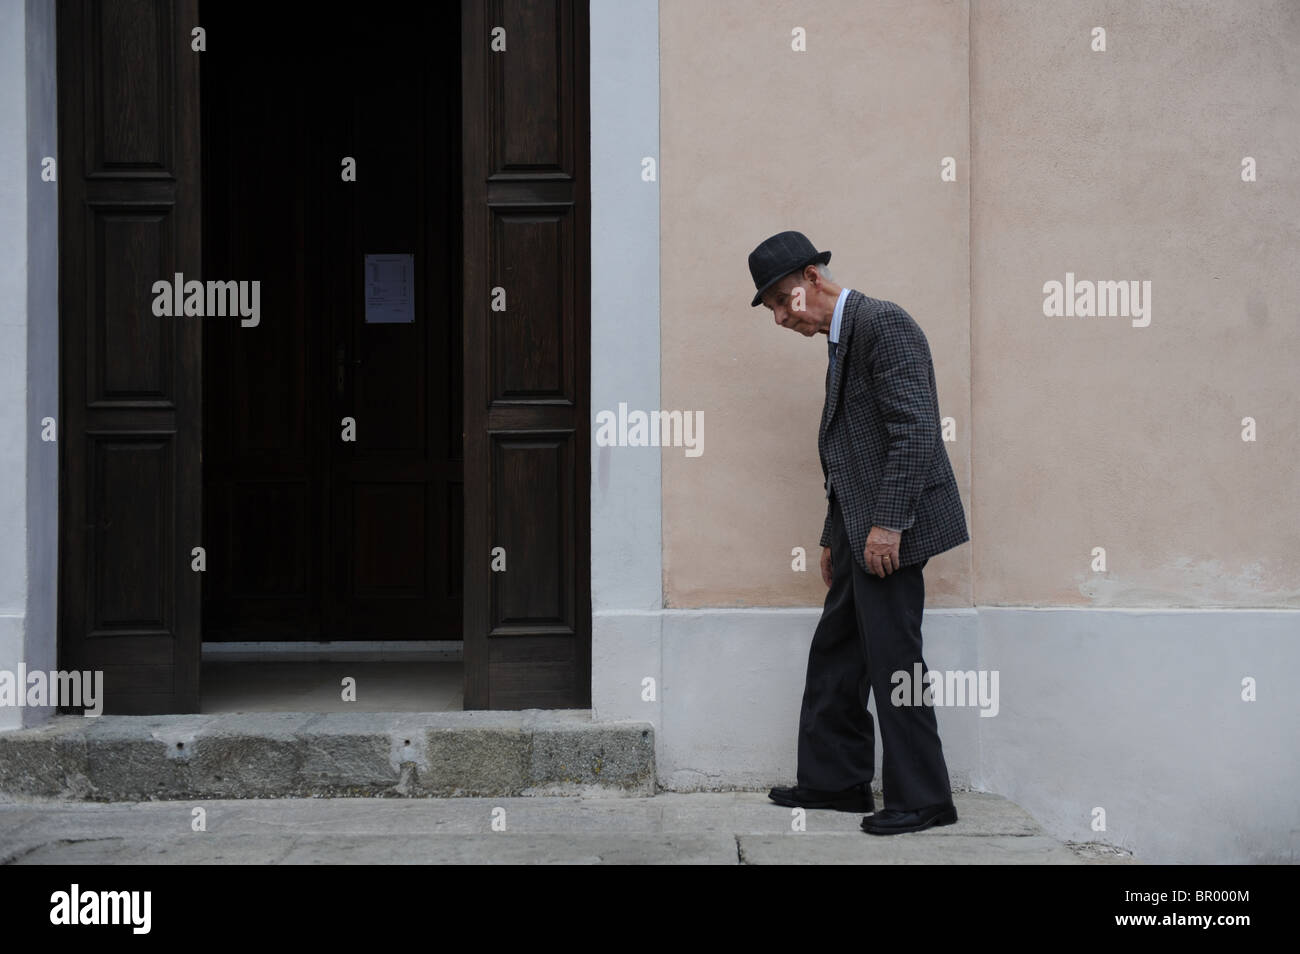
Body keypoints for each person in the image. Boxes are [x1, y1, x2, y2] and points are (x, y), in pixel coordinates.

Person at [749, 230, 970, 835]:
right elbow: (849, 450)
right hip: (859, 527)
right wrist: (832, 534)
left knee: (894, 660)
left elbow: (915, 432)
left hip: (888, 531)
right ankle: (836, 782)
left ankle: (925, 798)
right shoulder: (843, 340)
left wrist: (887, 526)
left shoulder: (884, 325)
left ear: (812, 281)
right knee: (838, 651)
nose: (777, 318)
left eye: (778, 301)